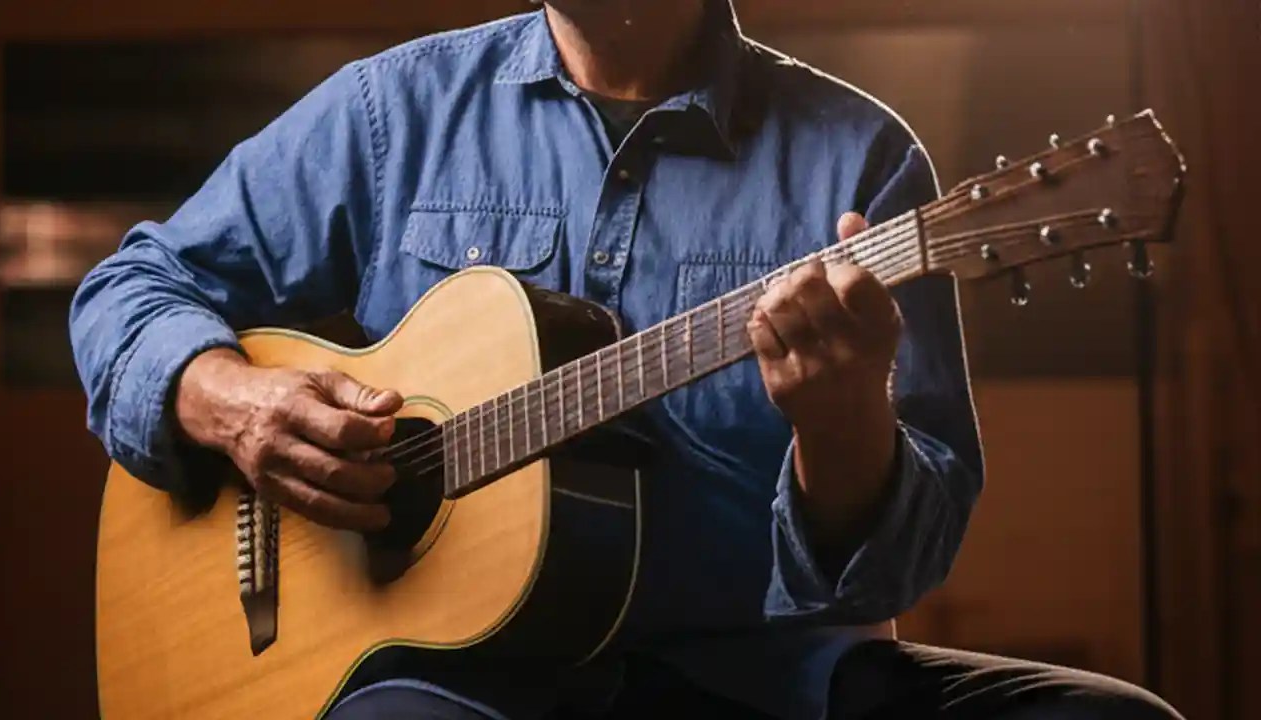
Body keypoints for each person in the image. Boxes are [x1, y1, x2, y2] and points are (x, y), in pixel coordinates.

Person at [69, 1, 1182, 718]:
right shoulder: (386, 117)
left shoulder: (860, 161)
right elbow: (130, 289)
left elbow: (899, 569)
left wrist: (842, 427)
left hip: (759, 683)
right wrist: (227, 398)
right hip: (439, 687)